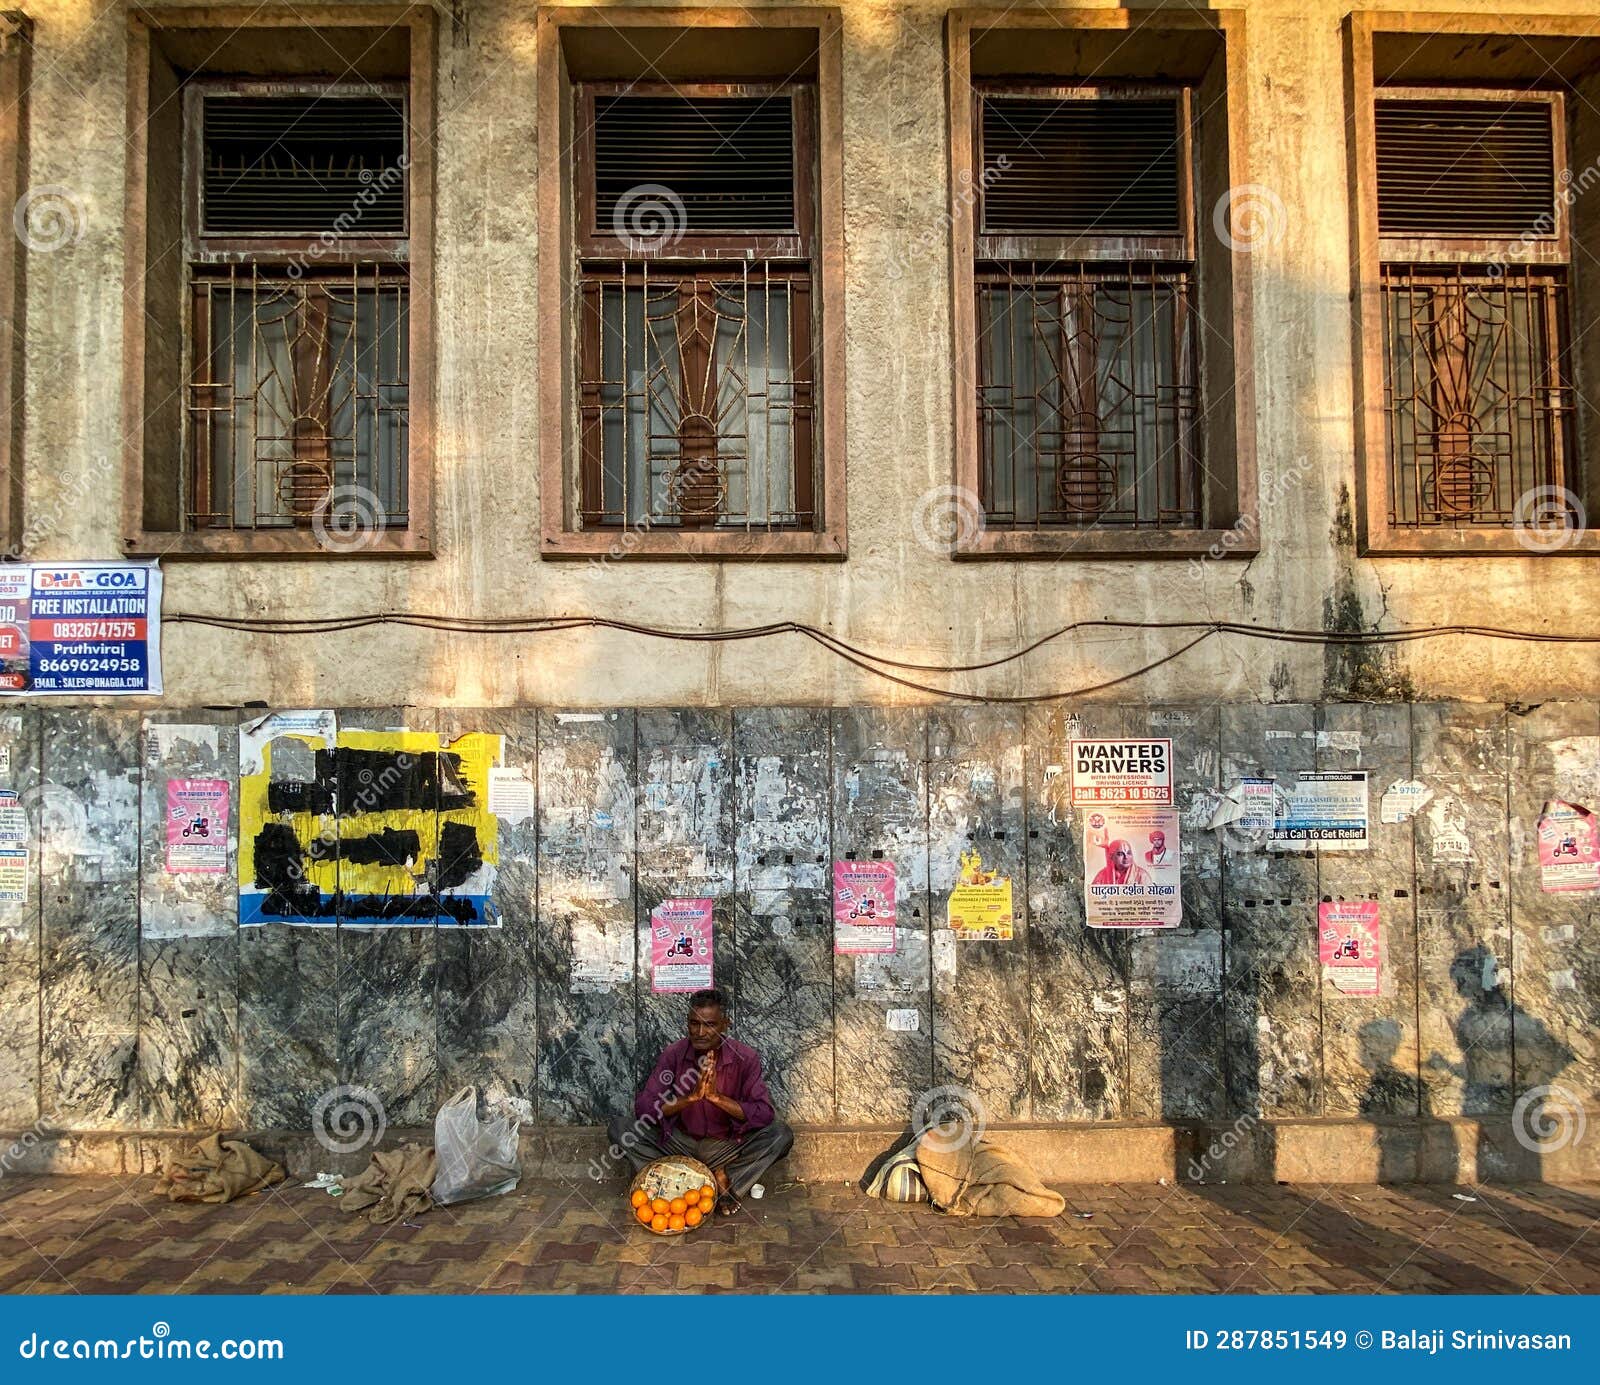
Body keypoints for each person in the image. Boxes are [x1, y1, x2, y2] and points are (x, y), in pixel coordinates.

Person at [608, 988, 794, 1215]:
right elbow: (644, 1108)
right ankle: (683, 1177)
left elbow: (764, 1114)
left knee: (780, 1136)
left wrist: (717, 1098)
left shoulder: (745, 1058)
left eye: (710, 1025)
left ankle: (724, 1177)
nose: (700, 1032)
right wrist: (689, 1099)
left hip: (726, 1146)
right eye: (694, 1023)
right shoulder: (674, 1054)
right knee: (620, 1128)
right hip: (678, 1142)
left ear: (725, 1024)